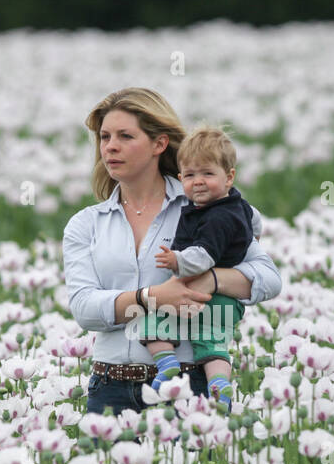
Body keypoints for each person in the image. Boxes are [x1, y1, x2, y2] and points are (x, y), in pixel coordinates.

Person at [62, 88, 282, 418]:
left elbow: (268, 279)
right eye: (104, 137)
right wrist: (152, 296)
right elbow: (84, 308)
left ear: (159, 144)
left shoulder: (208, 206)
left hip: (187, 384)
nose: (110, 146)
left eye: (125, 136)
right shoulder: (86, 224)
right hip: (108, 387)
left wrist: (210, 279)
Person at [139, 124, 261, 410]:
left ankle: (166, 365)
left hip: (196, 291)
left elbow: (203, 255)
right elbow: (255, 220)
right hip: (226, 301)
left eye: (208, 174)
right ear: (181, 178)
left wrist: (177, 261)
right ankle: (220, 385)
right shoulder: (238, 205)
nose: (199, 182)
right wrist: (253, 236)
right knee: (211, 344)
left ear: (229, 177)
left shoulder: (215, 218)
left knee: (152, 321)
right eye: (191, 176)